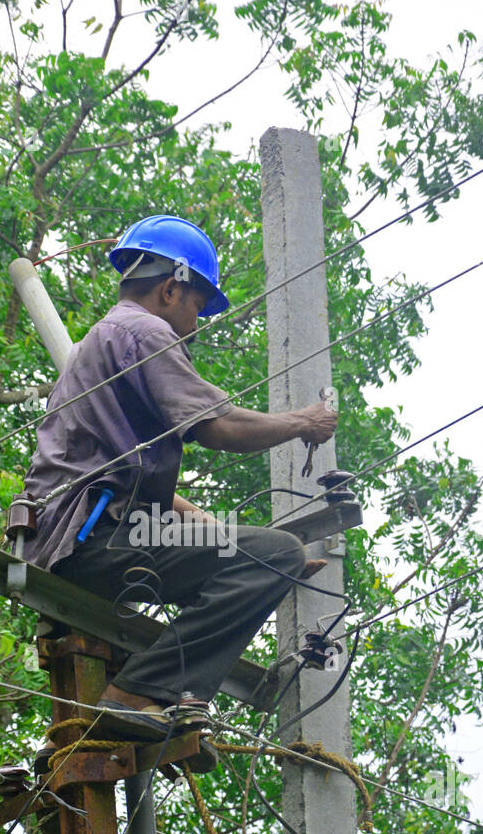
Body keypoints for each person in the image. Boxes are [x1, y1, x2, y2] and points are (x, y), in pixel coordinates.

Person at [21, 215, 337, 740]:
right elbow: (220, 426)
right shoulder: (144, 331)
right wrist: (304, 421)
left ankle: (150, 691)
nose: (195, 324)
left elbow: (129, 483)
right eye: (196, 307)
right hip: (90, 541)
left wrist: (245, 553)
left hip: (75, 538)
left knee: (265, 556)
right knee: (277, 552)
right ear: (171, 289)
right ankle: (138, 693)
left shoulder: (101, 343)